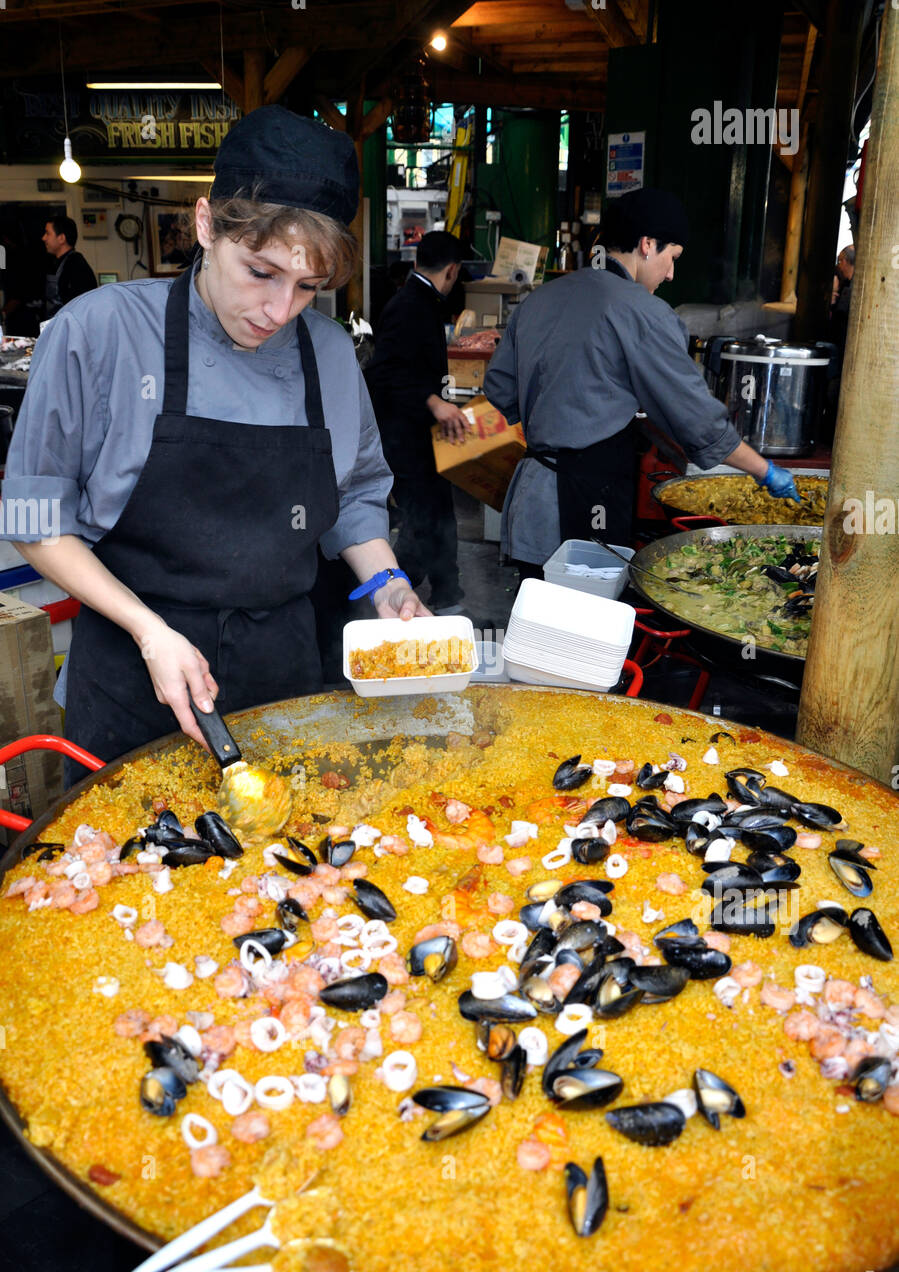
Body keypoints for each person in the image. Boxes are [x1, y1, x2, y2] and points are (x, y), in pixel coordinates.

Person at [1, 106, 427, 780]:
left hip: (282, 674)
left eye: (308, 287)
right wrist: (149, 631)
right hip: (133, 672)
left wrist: (386, 583)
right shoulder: (99, 330)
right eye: (260, 272)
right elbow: (32, 518)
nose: (279, 311)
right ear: (205, 225)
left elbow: (355, 495)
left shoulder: (329, 353)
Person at [483, 187, 800, 577]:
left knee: (536, 620)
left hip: (531, 500)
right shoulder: (643, 311)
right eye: (672, 258)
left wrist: (557, 414)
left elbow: (498, 387)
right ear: (647, 244)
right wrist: (764, 471)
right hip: (583, 509)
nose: (670, 274)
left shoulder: (539, 299)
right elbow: (697, 421)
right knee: (590, 631)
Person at [366, 230, 470, 613]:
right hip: (403, 437)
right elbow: (381, 374)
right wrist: (433, 401)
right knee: (424, 519)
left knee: (438, 513)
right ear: (453, 270)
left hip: (421, 435)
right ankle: (388, 592)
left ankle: (446, 594)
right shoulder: (409, 305)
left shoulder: (422, 300)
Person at [41, 215, 98, 319]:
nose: (43, 238)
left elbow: (83, 307)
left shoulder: (76, 264)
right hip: (55, 326)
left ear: (61, 238)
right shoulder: (55, 263)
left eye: (48, 233)